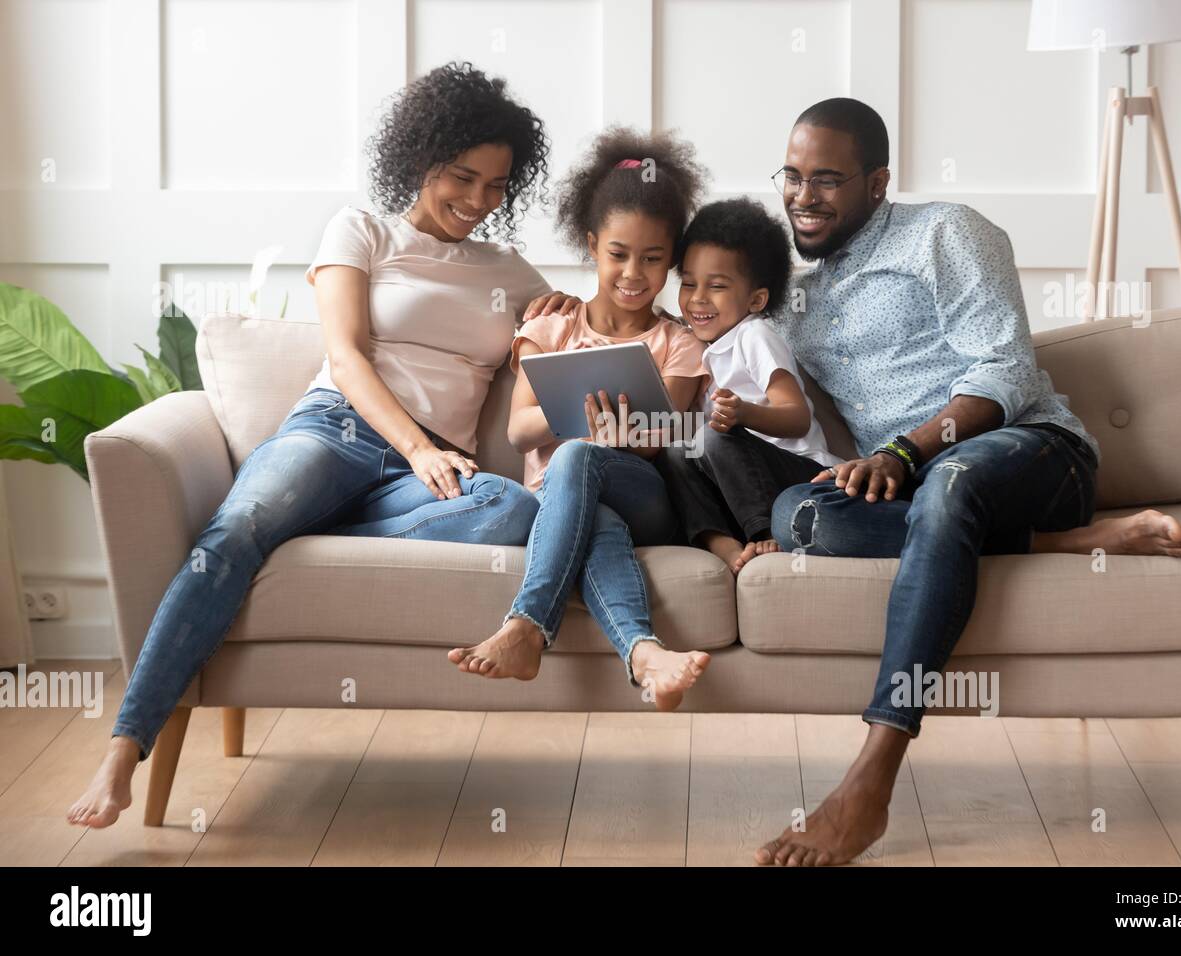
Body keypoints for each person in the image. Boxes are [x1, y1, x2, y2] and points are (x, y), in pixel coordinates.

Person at [68, 62, 553, 829]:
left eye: (498, 186)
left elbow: (582, 329)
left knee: (510, 510)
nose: (479, 201)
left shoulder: (510, 272)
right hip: (341, 430)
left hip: (430, 468)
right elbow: (349, 354)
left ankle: (303, 525)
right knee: (233, 532)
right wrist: (416, 447)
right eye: (465, 177)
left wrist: (561, 318)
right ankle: (127, 746)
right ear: (423, 158)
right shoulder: (360, 230)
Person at [751, 98, 1181, 866]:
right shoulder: (791, 296)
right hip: (918, 486)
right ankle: (1061, 545)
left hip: (1027, 451)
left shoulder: (946, 233)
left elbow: (1005, 369)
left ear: (878, 182)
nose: (802, 196)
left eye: (827, 179)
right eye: (791, 176)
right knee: (800, 518)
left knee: (951, 485)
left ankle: (871, 778)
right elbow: (704, 327)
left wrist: (906, 453)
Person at [447, 128, 714, 711]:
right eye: (618, 254)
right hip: (560, 506)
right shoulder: (548, 330)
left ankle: (526, 626)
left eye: (652, 259)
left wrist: (600, 433)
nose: (633, 274)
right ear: (592, 245)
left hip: (647, 497)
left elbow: (658, 443)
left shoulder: (679, 342)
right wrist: (577, 415)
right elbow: (519, 432)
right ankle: (645, 655)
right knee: (596, 521)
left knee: (576, 456)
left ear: (671, 259)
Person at [656, 197, 841, 574]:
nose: (698, 299)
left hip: (801, 476)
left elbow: (797, 417)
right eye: (688, 283)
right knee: (676, 452)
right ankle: (721, 542)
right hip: (743, 481)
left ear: (756, 299)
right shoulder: (698, 343)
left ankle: (762, 534)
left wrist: (745, 414)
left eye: (717, 286)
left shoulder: (753, 335)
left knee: (713, 438)